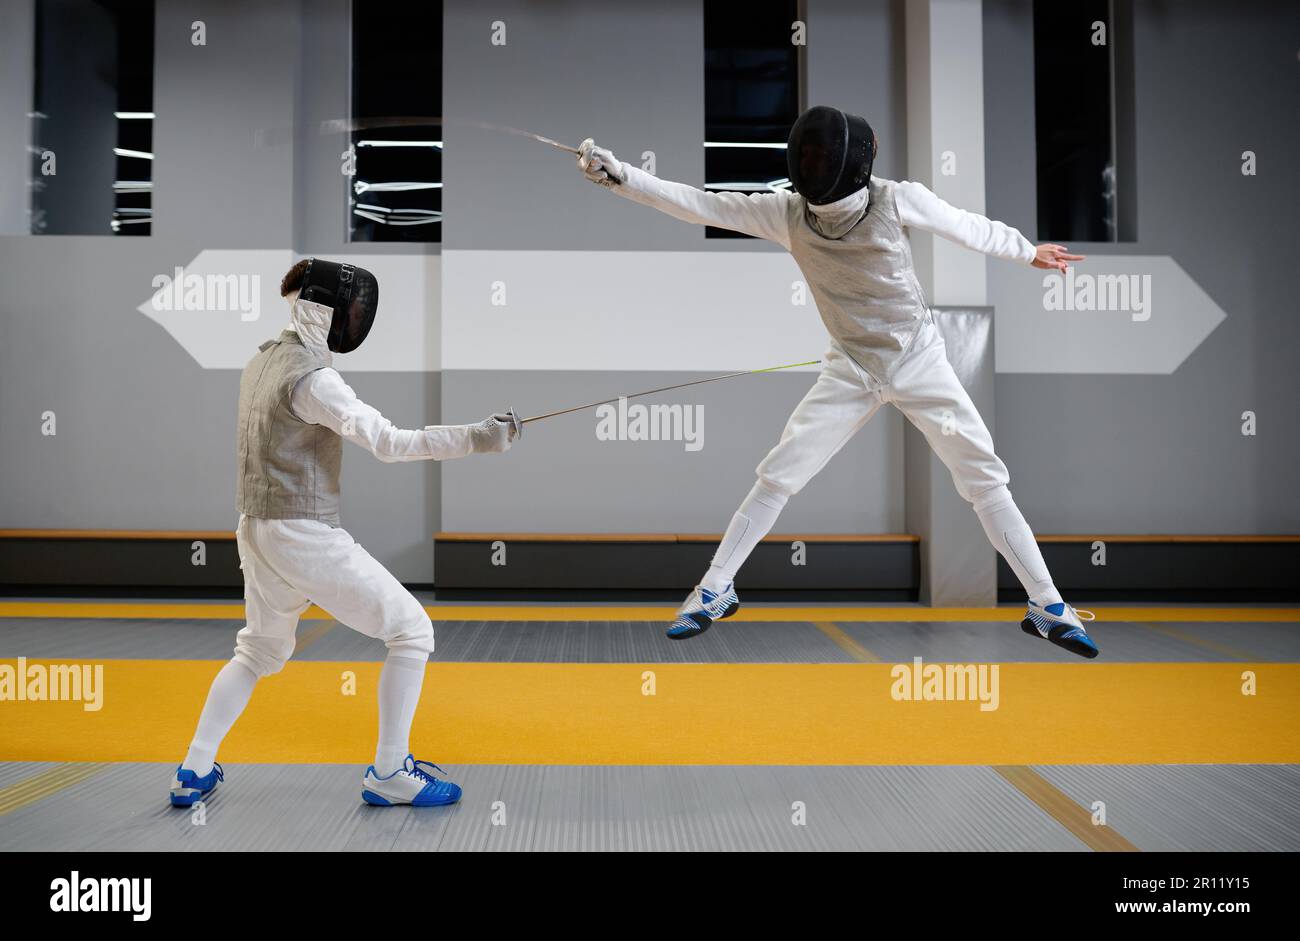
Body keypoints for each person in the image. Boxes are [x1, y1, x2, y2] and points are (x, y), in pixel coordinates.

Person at [577, 105, 1097, 658]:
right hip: (851, 368)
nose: (816, 162)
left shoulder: (891, 200)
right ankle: (713, 589)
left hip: (918, 360)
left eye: (822, 155)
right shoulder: (789, 211)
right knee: (781, 472)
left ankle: (1046, 603)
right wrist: (622, 177)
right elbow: (697, 204)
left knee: (982, 476)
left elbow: (964, 225)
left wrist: (622, 177)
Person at [170, 258, 519, 809]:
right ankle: (389, 772)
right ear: (324, 309)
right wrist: (477, 438)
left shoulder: (262, 361)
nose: (356, 319)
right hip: (300, 533)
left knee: (259, 651)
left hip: (255, 528)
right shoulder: (314, 379)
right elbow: (388, 442)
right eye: (351, 310)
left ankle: (193, 769)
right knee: (411, 630)